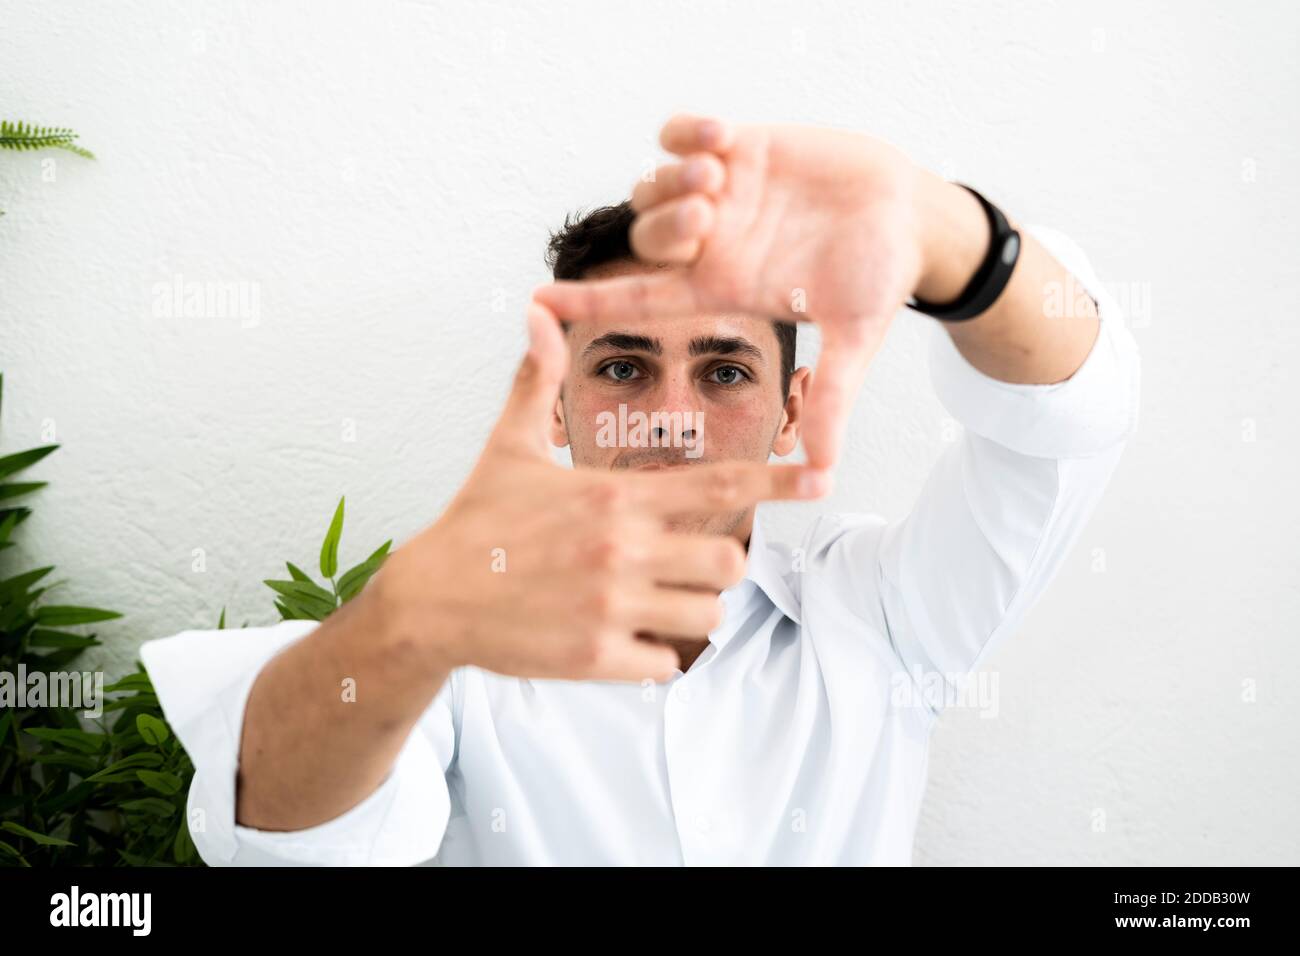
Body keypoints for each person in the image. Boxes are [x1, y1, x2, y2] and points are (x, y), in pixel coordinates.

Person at [141, 115, 1140, 865]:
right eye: (622, 367)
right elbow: (280, 828)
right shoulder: (441, 628)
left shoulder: (881, 605)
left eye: (724, 370)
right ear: (557, 402)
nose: (669, 414)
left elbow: (1066, 417)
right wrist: (400, 625)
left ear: (792, 410)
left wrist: (944, 233)